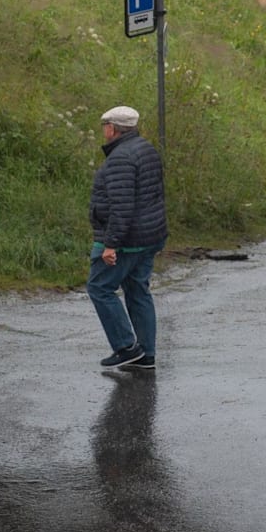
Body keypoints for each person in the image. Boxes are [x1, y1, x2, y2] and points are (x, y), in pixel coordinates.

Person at [88, 105, 168, 372]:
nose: (104, 131)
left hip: (128, 240)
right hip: (149, 236)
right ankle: (146, 354)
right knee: (137, 291)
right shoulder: (146, 149)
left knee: (99, 288)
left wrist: (111, 244)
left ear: (112, 128)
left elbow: (122, 206)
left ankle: (125, 347)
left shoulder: (120, 158)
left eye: (105, 127)